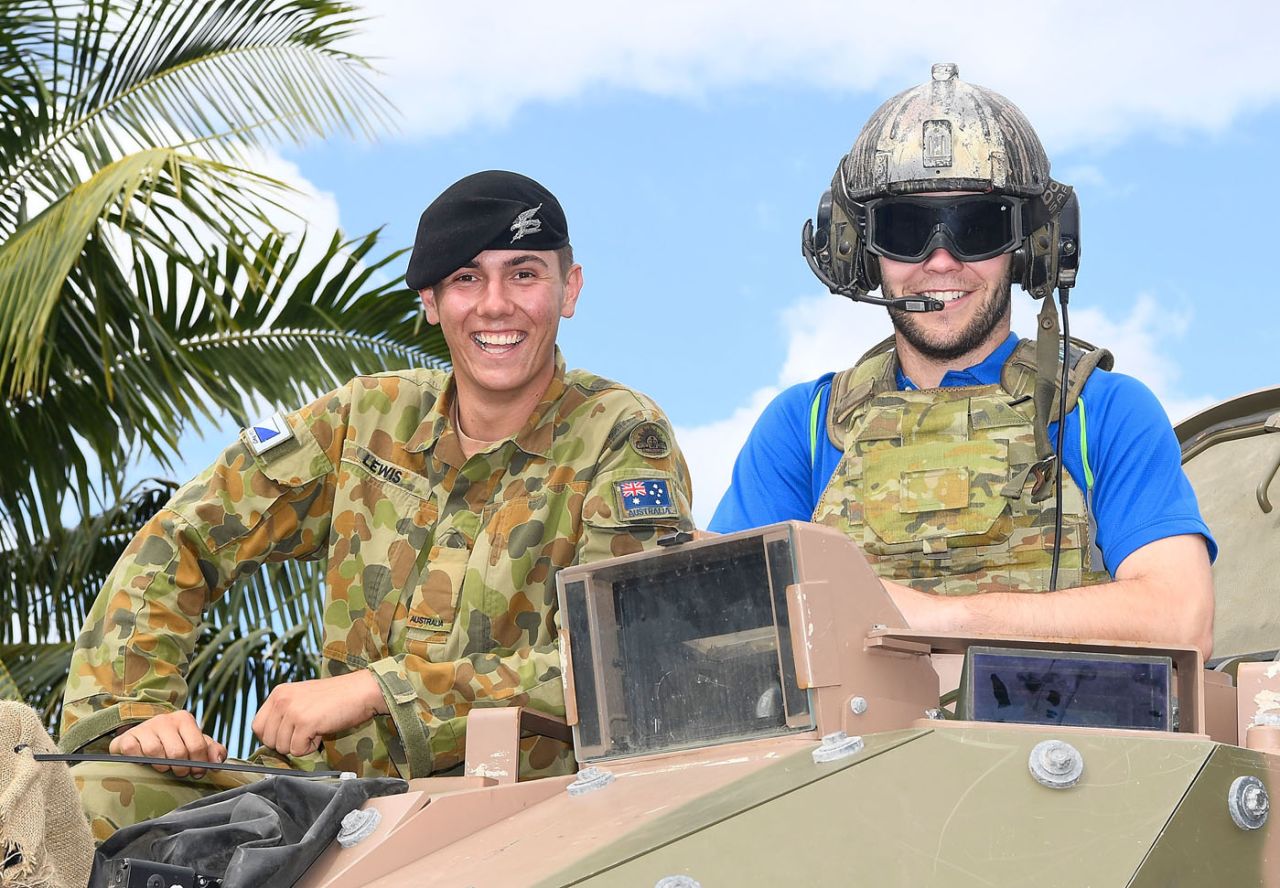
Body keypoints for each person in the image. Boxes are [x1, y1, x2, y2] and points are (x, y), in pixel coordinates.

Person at [60, 170, 695, 838]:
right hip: (321, 804)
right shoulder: (368, 418)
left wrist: (379, 691)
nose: (496, 305)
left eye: (524, 274)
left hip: (515, 818)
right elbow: (184, 538)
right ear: (431, 302)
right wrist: (133, 711)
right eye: (466, 279)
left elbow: (625, 653)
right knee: (82, 803)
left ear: (570, 290)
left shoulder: (620, 437)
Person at [709, 64, 1215, 658]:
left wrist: (941, 619)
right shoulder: (806, 426)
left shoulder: (1102, 412)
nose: (942, 260)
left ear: (1031, 247)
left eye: (977, 227)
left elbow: (1183, 618)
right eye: (906, 229)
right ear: (861, 251)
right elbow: (720, 624)